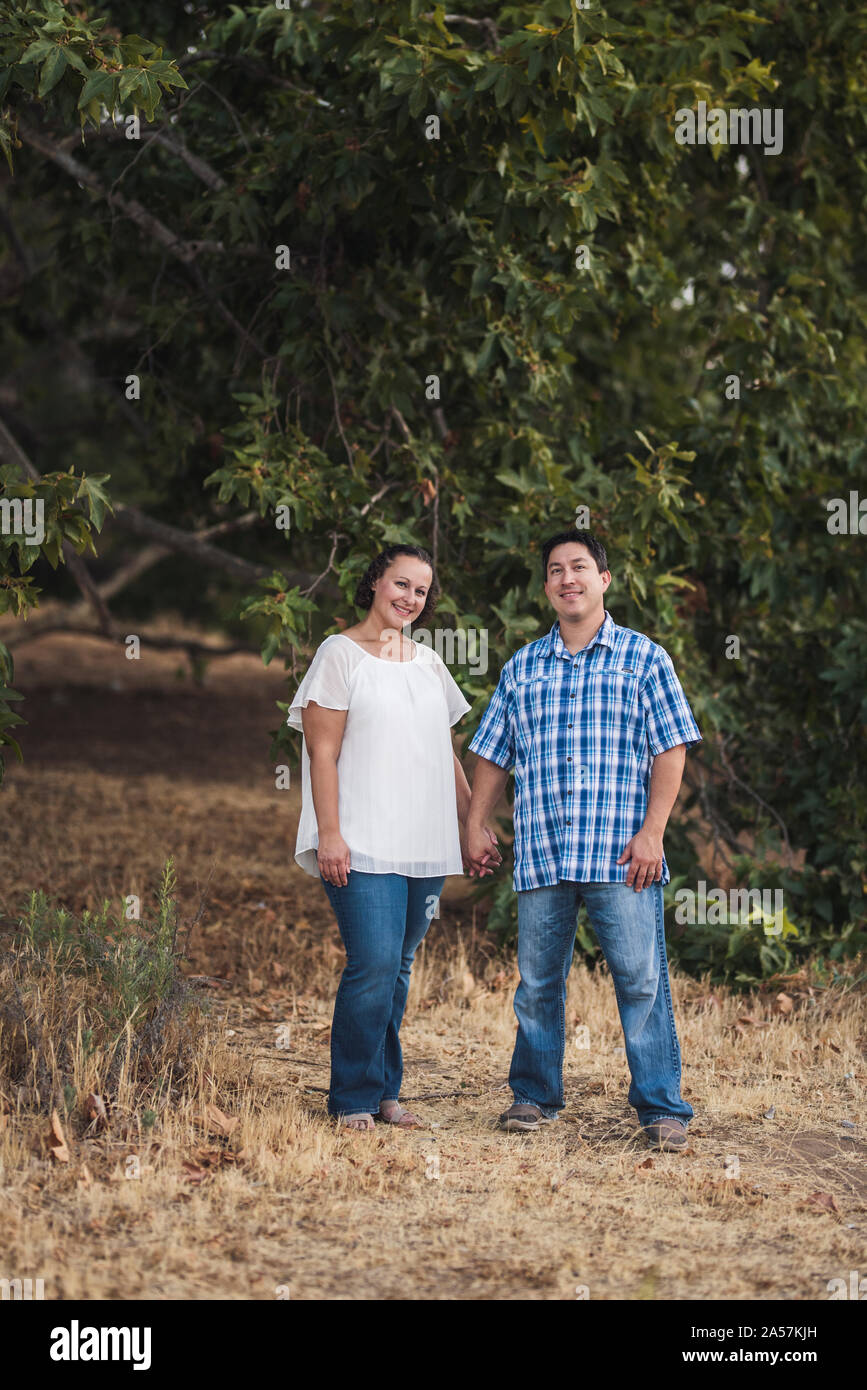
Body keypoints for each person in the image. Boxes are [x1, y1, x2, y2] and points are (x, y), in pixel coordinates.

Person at [464, 530, 702, 1151]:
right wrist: (474, 821)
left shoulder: (645, 658)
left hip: (622, 853)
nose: (567, 579)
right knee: (538, 983)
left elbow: (670, 749)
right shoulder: (523, 667)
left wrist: (654, 832)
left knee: (640, 981)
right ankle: (533, 1097)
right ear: (546, 587)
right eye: (554, 571)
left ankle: (661, 1107)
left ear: (604, 579)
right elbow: (493, 753)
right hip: (544, 851)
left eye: (579, 567)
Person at [286, 543, 501, 1132]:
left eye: (421, 591)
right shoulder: (339, 654)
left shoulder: (429, 662)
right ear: (375, 583)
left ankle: (385, 1092)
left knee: (399, 966)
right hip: (362, 837)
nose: (410, 598)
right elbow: (321, 752)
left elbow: (446, 753)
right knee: (373, 961)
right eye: (400, 584)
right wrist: (330, 833)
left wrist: (470, 824)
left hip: (423, 839)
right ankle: (351, 1096)